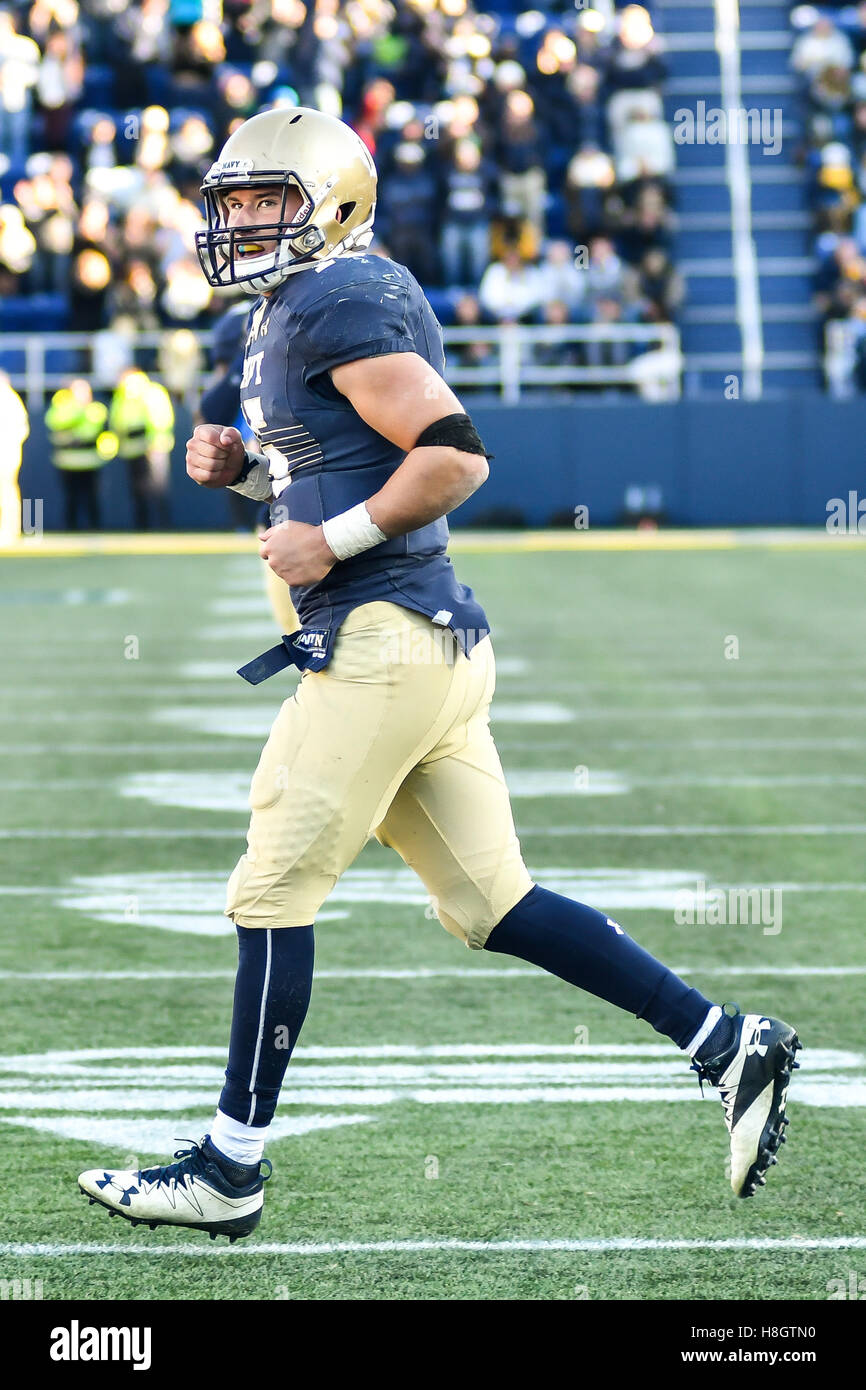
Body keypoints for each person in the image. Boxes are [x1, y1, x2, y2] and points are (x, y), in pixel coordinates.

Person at [78, 107, 801, 1241]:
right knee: (491, 903)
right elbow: (334, 460)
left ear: (332, 206)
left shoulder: (336, 297)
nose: (242, 222)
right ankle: (726, 1042)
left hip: (381, 644)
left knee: (269, 894)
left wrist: (330, 542)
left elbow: (454, 454)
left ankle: (228, 1169)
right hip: (426, 644)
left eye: (267, 200)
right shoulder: (297, 305)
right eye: (234, 203)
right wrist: (248, 474)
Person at [45, 378, 113, 530]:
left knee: (92, 498)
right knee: (71, 498)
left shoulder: (97, 409)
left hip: (91, 461)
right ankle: (71, 527)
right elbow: (55, 423)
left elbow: (104, 434)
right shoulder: (61, 408)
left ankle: (95, 528)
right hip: (67, 462)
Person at [0, 372, 29, 543]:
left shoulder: (8, 399)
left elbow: (19, 430)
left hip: (6, 454)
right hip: (8, 453)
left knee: (6, 491)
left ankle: (9, 529)